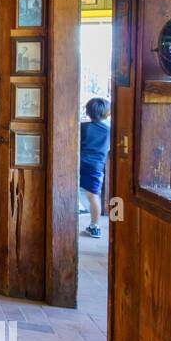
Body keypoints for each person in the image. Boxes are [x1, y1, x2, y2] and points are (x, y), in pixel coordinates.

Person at [79, 97, 111, 239]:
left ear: (88, 111)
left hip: (78, 163)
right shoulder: (108, 131)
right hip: (96, 167)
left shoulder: (83, 127)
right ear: (106, 113)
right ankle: (94, 226)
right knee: (93, 196)